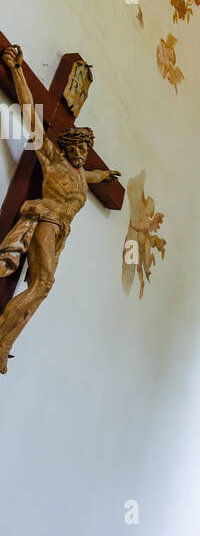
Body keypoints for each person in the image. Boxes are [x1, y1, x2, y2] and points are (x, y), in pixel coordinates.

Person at [0, 45, 120, 373]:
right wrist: (16, 70)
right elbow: (29, 114)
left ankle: (6, 337)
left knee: (43, 286)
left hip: (61, 233)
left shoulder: (83, 177)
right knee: (43, 284)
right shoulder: (53, 161)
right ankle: (3, 337)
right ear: (66, 147)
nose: (82, 151)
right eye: (78, 146)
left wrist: (108, 175)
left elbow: (96, 175)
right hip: (47, 220)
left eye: (86, 147)